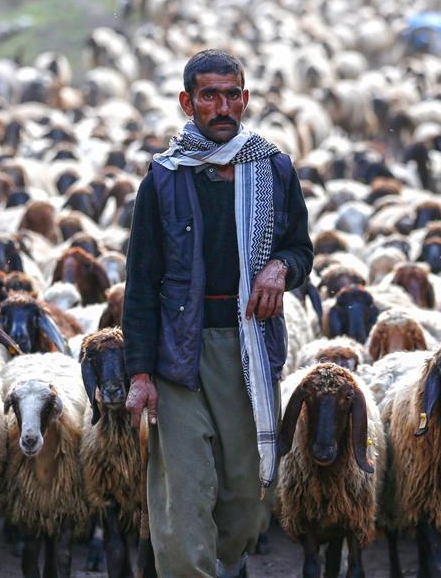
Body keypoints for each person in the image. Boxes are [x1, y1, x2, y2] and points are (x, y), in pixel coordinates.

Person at [122, 49, 314, 577]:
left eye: (232, 94)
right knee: (183, 501)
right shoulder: (163, 178)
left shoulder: (273, 169)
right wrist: (140, 371)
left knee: (244, 498)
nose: (223, 105)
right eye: (210, 95)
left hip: (247, 349)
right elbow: (140, 282)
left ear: (246, 99)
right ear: (188, 103)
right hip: (178, 354)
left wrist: (281, 268)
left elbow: (301, 249)